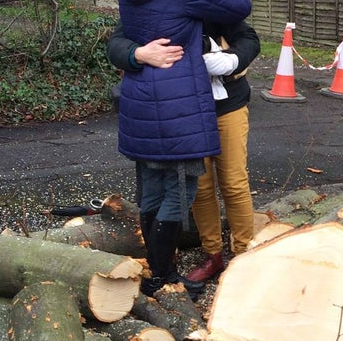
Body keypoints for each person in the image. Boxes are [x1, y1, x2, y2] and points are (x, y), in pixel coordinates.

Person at [105, 0, 252, 297]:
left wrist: (139, 54)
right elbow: (240, 5)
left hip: (144, 100)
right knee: (183, 188)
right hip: (179, 104)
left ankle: (160, 272)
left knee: (152, 187)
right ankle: (164, 278)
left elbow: (245, 34)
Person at [108, 16, 260, 283]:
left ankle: (243, 254)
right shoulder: (148, 6)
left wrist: (231, 60)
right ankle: (212, 254)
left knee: (234, 182)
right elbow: (117, 47)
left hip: (227, 106)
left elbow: (249, 39)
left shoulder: (207, 2)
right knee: (199, 187)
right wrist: (139, 53)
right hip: (184, 112)